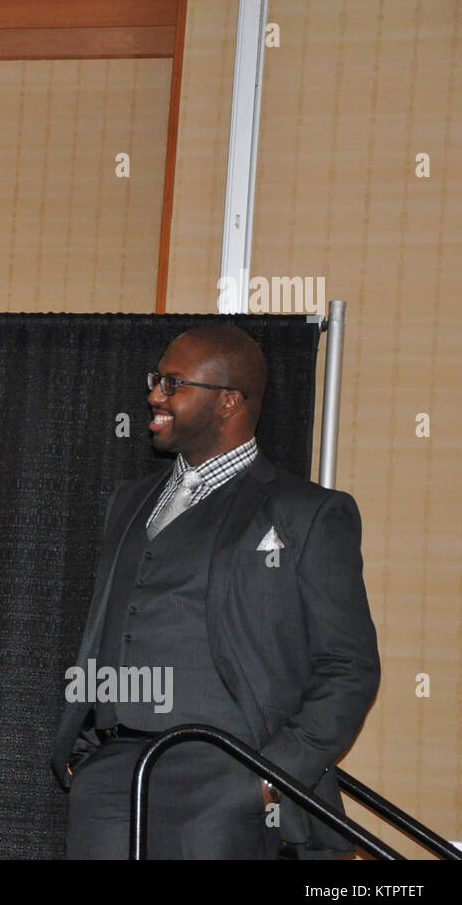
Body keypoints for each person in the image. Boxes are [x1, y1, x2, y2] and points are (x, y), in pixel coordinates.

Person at [52, 324, 379, 859]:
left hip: (228, 779)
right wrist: (88, 748)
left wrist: (269, 778)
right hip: (111, 775)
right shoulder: (129, 501)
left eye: (173, 383)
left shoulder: (308, 513)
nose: (154, 395)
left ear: (228, 402)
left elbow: (350, 666)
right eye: (157, 380)